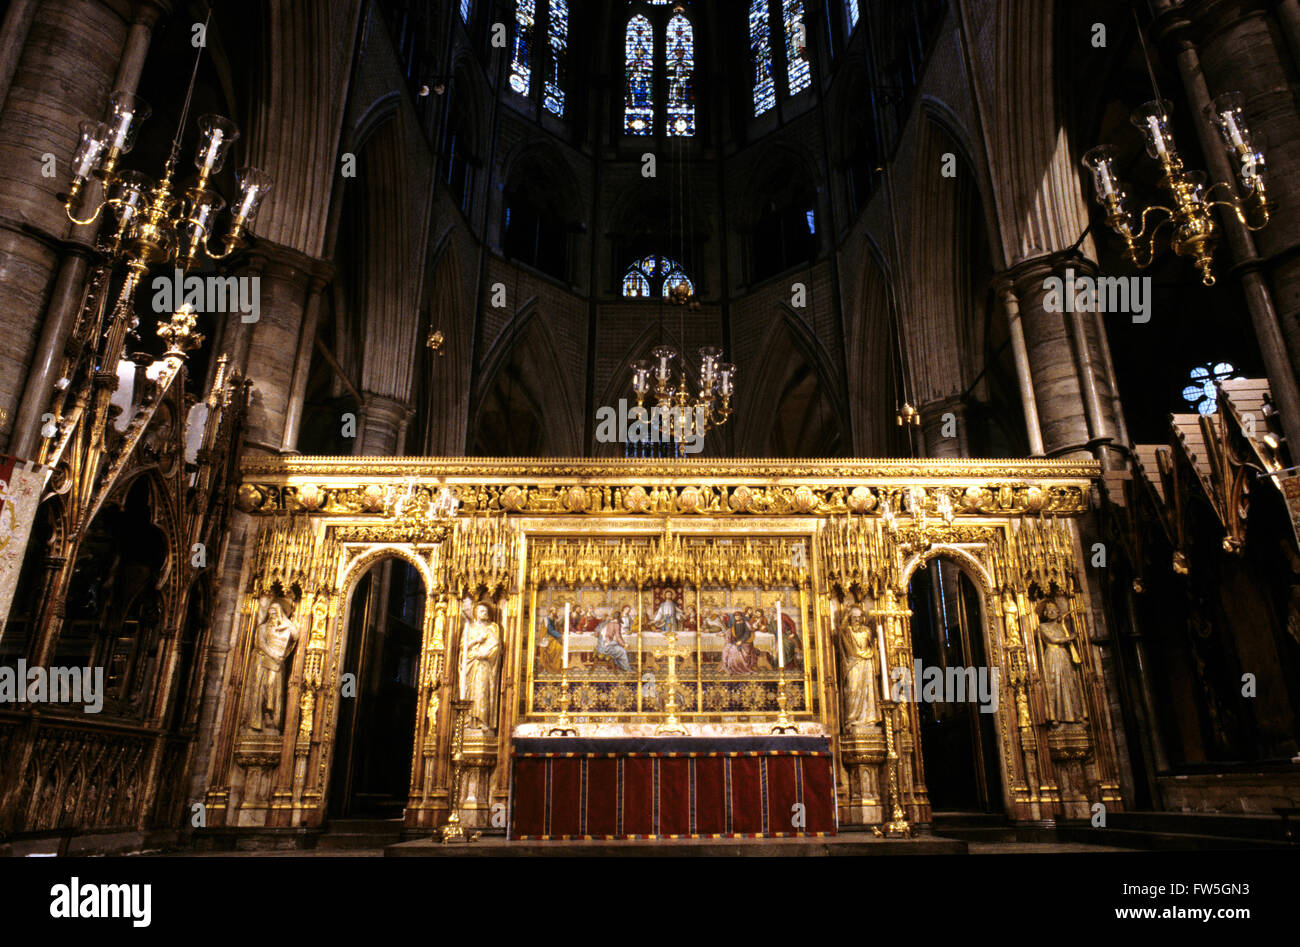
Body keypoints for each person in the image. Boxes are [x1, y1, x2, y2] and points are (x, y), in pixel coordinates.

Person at [247, 599, 299, 733]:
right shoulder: (262, 628)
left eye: (276, 613)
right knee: (261, 688)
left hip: (276, 664)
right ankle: (258, 721)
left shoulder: (283, 628)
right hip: (262, 662)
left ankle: (271, 717)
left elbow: (296, 635)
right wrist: (273, 655)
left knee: (272, 687)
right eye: (270, 613)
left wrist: (286, 624)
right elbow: (261, 644)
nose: (272, 616)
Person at [1038, 601, 1085, 724]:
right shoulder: (1043, 626)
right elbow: (1052, 639)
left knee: (1069, 684)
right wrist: (1069, 638)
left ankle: (1074, 714)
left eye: (1054, 609)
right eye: (1048, 609)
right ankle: (1056, 717)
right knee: (1055, 684)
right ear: (1045, 613)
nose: (1051, 612)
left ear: (1058, 611)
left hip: (1064, 655)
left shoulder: (1061, 626)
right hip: (1052, 656)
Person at [461, 600, 503, 730]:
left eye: (486, 611)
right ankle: (469, 720)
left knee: (482, 690)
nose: (485, 613)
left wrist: (485, 654)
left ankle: (483, 721)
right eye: (481, 611)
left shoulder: (493, 627)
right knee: (470, 691)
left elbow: (496, 646)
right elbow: (463, 646)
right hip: (471, 663)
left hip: (485, 664)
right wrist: (476, 641)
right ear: (476, 613)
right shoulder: (470, 628)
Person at [838, 606, 879, 729]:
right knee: (852, 688)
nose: (856, 620)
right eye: (854, 617)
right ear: (849, 618)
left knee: (867, 690)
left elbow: (873, 645)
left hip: (866, 662)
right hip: (852, 664)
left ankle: (868, 719)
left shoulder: (866, 631)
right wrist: (845, 617)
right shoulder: (847, 631)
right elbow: (841, 631)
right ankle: (852, 718)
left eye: (859, 617)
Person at [594, 605, 632, 672]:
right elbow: (618, 637)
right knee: (622, 651)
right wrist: (624, 644)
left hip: (600, 647)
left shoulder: (608, 622)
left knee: (618, 648)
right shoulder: (616, 624)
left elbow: (597, 631)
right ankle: (626, 668)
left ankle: (617, 666)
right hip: (607, 648)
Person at [538, 606, 564, 673]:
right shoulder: (546, 620)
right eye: (555, 611)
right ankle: (553, 667)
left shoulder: (554, 619)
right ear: (551, 612)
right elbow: (550, 630)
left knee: (560, 648)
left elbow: (557, 628)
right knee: (558, 648)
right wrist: (560, 635)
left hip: (553, 637)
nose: (556, 612)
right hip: (547, 637)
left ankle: (556, 666)